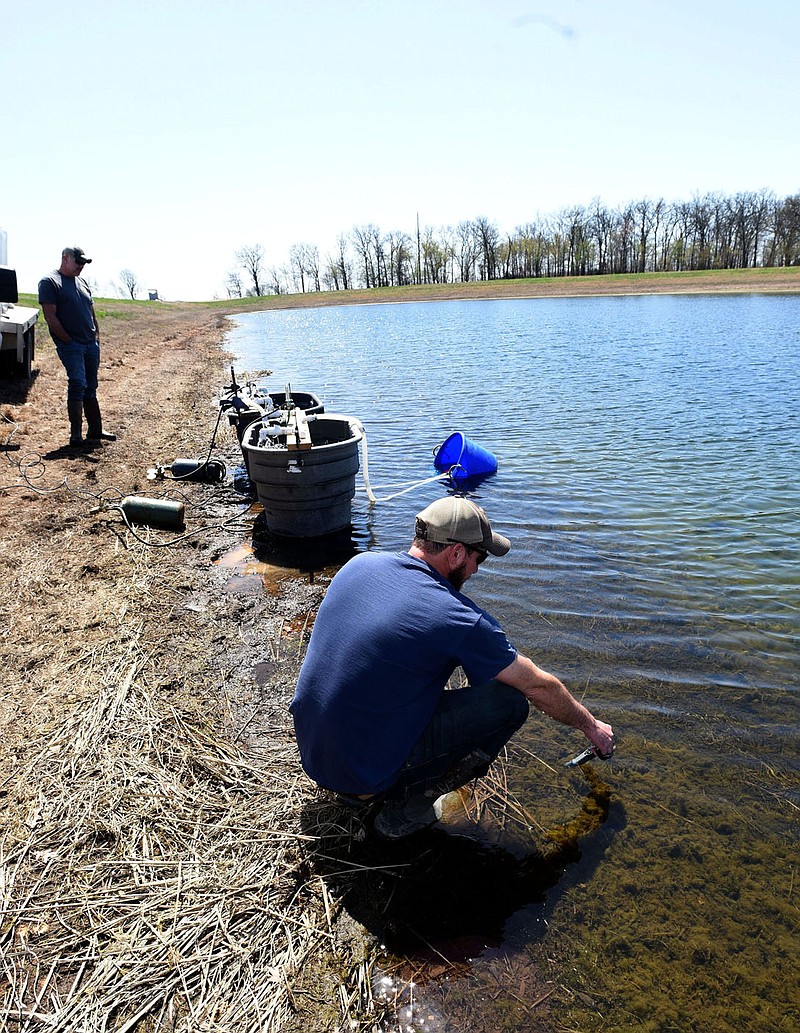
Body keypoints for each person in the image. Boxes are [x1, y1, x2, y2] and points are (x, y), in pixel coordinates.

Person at [290, 495, 615, 839]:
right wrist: (590, 726)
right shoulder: (457, 617)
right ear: (456, 552)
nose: (475, 570)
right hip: (360, 777)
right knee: (510, 704)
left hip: (313, 753)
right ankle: (403, 812)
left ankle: (369, 777)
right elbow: (537, 685)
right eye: (479, 558)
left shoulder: (360, 564)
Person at [38, 246, 116, 448]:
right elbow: (50, 317)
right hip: (72, 346)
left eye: (84, 263)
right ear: (65, 258)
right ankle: (75, 436)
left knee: (91, 387)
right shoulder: (50, 282)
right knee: (78, 384)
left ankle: (96, 430)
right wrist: (67, 340)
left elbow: (91, 310)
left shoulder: (81, 282)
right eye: (78, 262)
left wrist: (96, 335)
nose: (81, 266)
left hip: (90, 344)